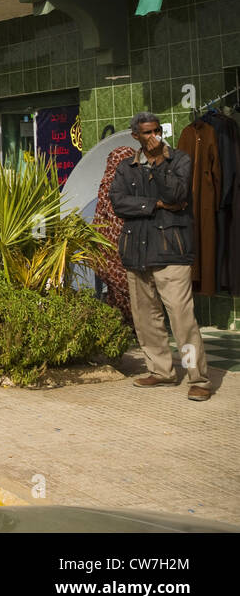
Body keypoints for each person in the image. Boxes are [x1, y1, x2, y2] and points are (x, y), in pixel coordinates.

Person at [110, 112, 212, 401]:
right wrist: (155, 203)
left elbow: (178, 193)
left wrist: (157, 166)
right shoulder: (125, 167)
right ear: (136, 136)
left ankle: (199, 378)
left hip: (172, 253)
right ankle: (161, 371)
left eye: (157, 131)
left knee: (182, 320)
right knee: (146, 319)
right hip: (137, 253)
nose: (154, 137)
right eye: (147, 133)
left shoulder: (178, 161)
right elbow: (118, 202)